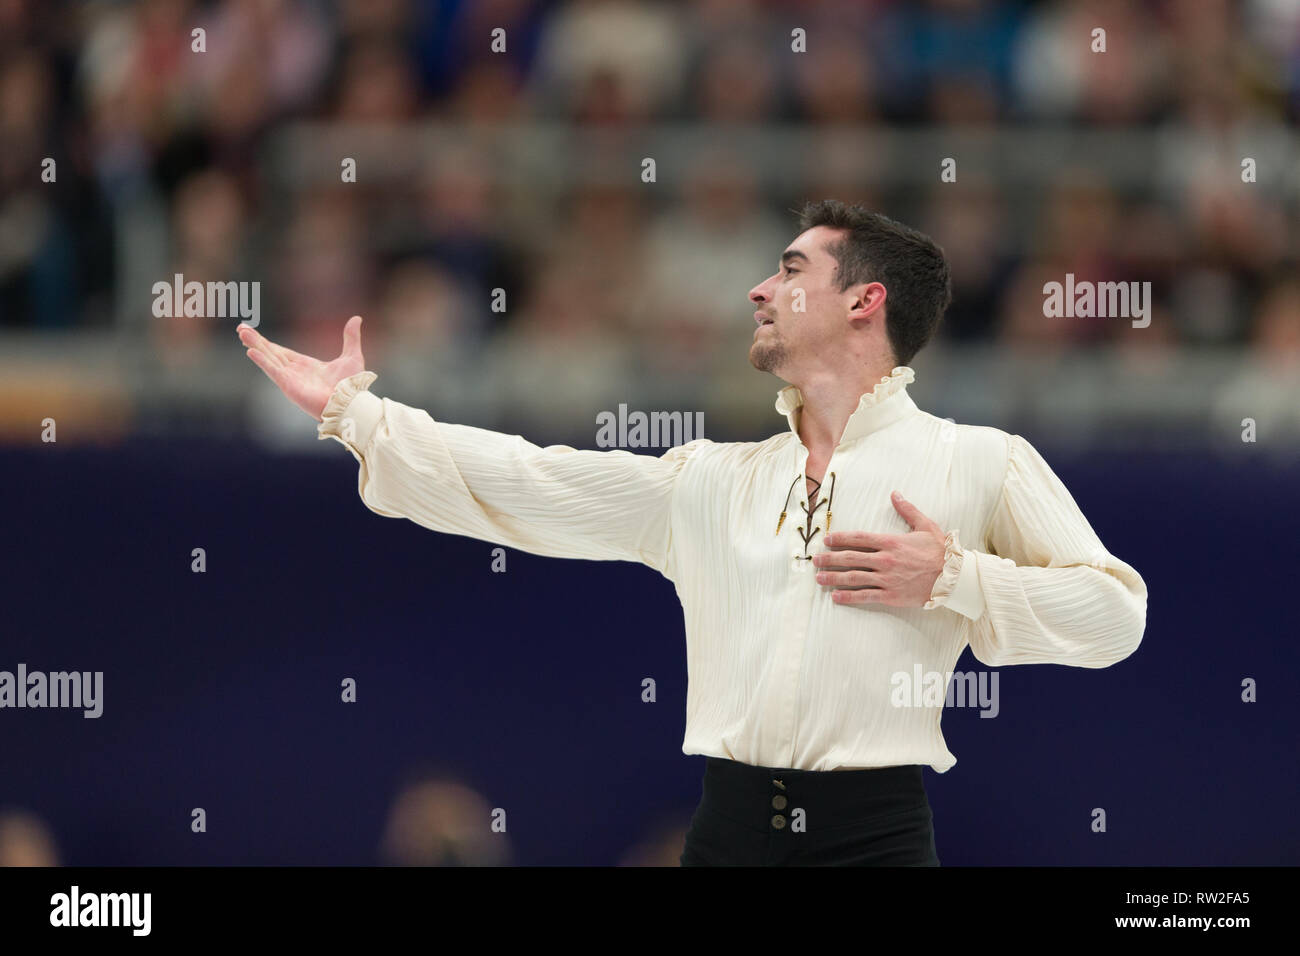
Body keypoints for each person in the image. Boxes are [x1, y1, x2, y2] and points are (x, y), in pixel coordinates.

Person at [238, 199, 1147, 866]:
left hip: (877, 839)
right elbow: (530, 481)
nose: (759, 287)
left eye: (791, 270)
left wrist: (955, 579)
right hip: (726, 833)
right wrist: (359, 416)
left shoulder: (981, 460)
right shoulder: (713, 479)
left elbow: (1116, 617)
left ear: (865, 302)